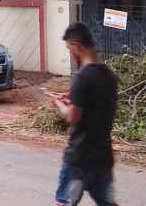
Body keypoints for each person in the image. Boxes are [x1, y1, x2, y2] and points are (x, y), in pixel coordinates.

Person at [49, 21, 119, 206]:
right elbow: (96, 103)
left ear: (76, 46)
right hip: (102, 157)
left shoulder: (82, 78)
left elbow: (73, 117)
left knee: (64, 203)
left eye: (69, 48)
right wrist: (72, 98)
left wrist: (58, 103)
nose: (70, 53)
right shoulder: (109, 76)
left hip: (79, 160)